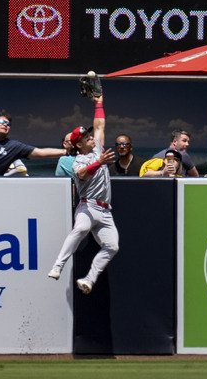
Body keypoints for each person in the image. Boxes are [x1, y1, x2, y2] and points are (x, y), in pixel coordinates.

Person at [48, 94, 119, 295]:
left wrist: (98, 103)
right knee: (80, 229)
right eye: (86, 138)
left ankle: (89, 279)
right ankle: (58, 266)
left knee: (112, 246)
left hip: (106, 212)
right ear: (79, 145)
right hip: (88, 206)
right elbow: (82, 174)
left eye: (89, 136)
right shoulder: (79, 160)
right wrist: (99, 163)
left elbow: (99, 126)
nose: (90, 138)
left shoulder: (97, 148)